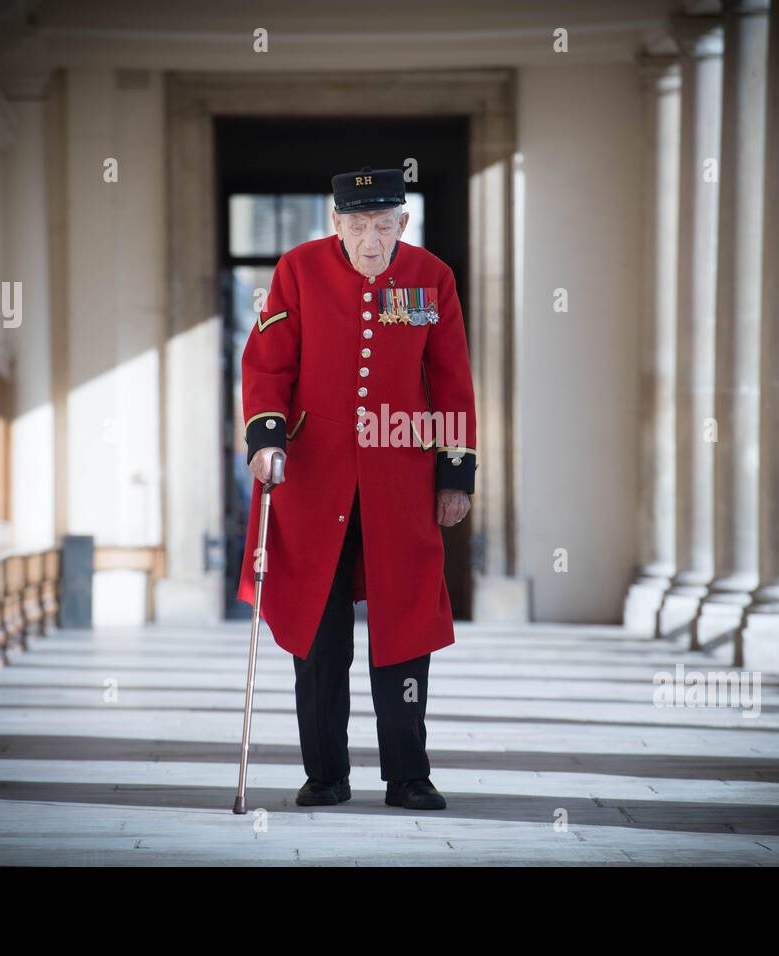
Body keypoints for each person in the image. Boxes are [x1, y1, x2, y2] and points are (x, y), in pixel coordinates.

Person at [237, 166, 477, 811]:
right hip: (313, 481)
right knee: (318, 631)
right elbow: (268, 361)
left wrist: (456, 475)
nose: (371, 240)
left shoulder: (432, 278)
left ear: (403, 222)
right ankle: (325, 774)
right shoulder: (298, 270)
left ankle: (407, 775)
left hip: (401, 483)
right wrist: (266, 438)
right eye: (357, 225)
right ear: (335, 223)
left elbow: (450, 379)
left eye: (383, 225)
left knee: (405, 627)